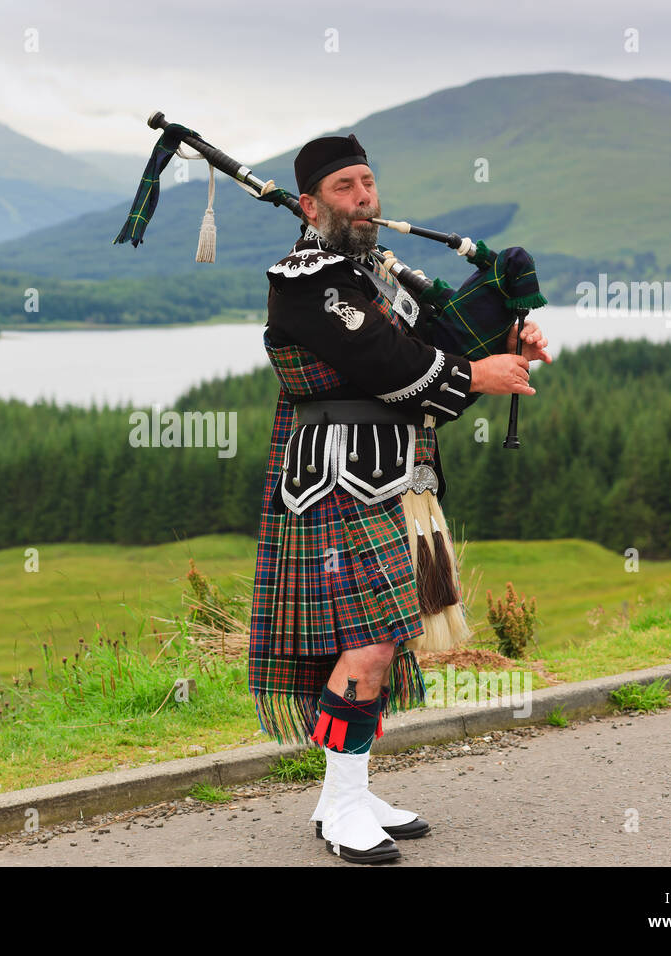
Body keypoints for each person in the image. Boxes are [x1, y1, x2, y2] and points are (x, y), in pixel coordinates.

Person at [247, 133, 550, 864]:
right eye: (345, 187)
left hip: (391, 477)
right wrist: (481, 373)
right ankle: (347, 806)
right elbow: (393, 365)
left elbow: (426, 393)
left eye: (368, 183)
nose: (364, 199)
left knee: (381, 638)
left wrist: (504, 344)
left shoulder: (372, 277)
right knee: (368, 643)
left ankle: (341, 795)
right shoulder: (307, 279)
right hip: (333, 482)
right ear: (313, 203)